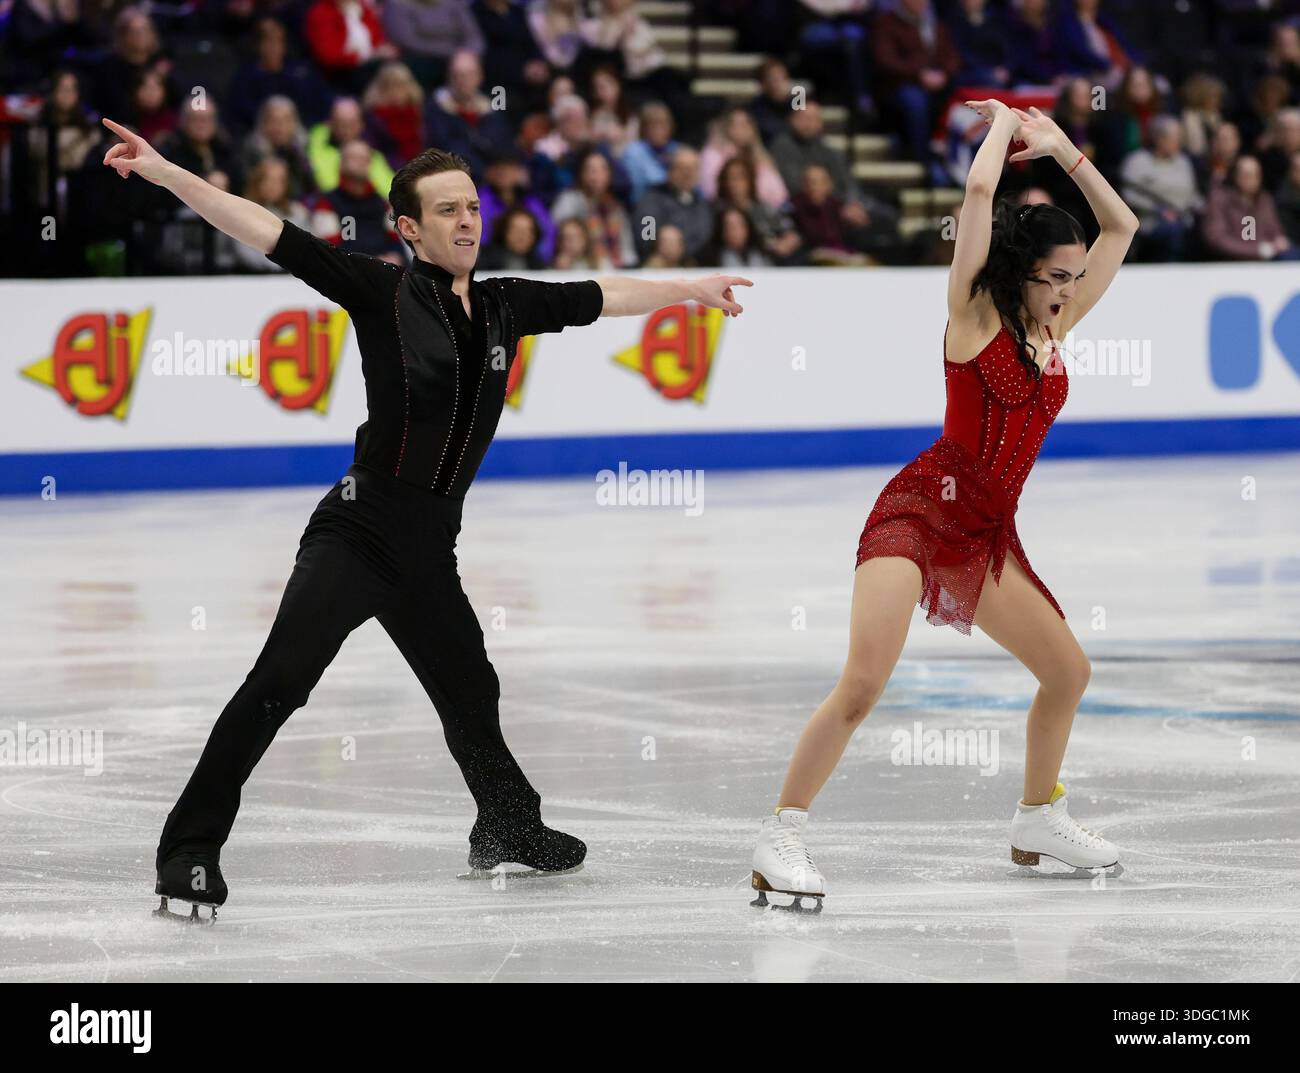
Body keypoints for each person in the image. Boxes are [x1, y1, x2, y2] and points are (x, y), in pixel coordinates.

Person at [99, 116, 753, 920]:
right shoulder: (380, 290)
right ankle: (189, 851)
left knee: (471, 686)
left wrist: (689, 290)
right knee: (278, 684)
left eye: (472, 206)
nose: (468, 220)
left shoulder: (507, 305)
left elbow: (603, 295)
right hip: (360, 529)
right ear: (408, 229)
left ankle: (507, 824)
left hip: (428, 549)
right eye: (447, 211)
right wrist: (168, 174)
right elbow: (271, 231)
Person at [750, 100, 1140, 912]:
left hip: (987, 532)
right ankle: (780, 833)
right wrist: (1002, 126)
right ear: (1020, 269)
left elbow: (1124, 224)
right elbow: (974, 195)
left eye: (1075, 276)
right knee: (862, 681)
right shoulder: (974, 317)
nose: (1070, 291)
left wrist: (1063, 146)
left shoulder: (1055, 326)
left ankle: (1039, 816)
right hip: (920, 514)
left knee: (1067, 671)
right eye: (1055, 276)